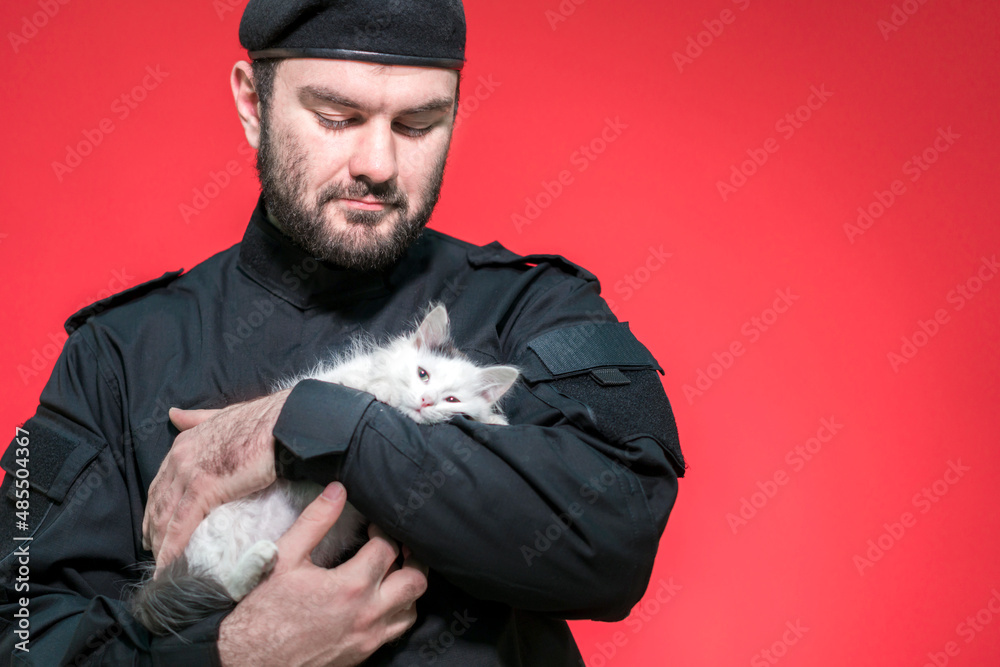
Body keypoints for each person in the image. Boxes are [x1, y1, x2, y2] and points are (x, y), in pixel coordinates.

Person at [0, 0, 686, 664]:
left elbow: (618, 537)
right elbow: (20, 631)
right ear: (253, 104)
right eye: (338, 117)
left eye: (419, 124)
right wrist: (229, 654)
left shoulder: (533, 306)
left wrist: (314, 425)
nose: (379, 164)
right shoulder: (115, 354)